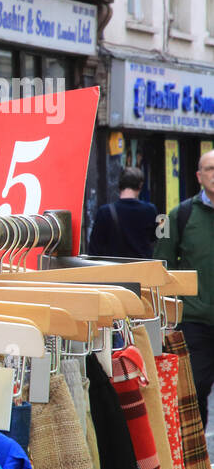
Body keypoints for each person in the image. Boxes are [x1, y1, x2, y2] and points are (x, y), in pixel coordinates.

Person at [155, 149, 214, 427]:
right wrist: (165, 318)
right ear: (199, 176)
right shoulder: (176, 215)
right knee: (196, 388)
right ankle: (198, 459)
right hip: (194, 320)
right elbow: (160, 261)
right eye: (210, 168)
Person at [89, 166, 158, 258]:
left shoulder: (104, 212)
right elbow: (160, 240)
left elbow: (94, 250)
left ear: (119, 185)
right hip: (143, 269)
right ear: (140, 185)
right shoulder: (151, 210)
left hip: (114, 269)